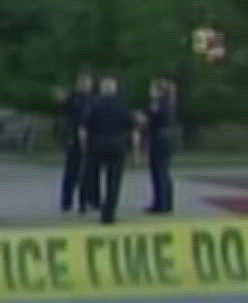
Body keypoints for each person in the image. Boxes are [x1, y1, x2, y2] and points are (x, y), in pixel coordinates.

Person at [79, 76, 135, 225]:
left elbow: (83, 128)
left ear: (102, 89)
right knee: (114, 180)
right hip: (117, 143)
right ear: (115, 90)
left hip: (97, 142)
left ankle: (93, 199)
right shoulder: (122, 106)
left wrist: (84, 145)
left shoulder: (93, 105)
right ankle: (109, 212)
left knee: (92, 174)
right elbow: (131, 127)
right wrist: (134, 149)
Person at [58, 72, 96, 214]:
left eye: (88, 83)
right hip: (74, 138)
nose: (86, 86)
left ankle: (86, 201)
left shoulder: (93, 99)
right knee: (71, 171)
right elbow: (65, 113)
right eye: (83, 83)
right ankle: (66, 202)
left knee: (88, 172)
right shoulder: (73, 99)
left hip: (90, 138)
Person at [142, 78, 178, 214]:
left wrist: (143, 118)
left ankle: (160, 204)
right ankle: (166, 202)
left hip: (159, 139)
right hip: (168, 139)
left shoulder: (158, 103)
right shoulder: (170, 102)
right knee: (164, 172)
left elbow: (151, 119)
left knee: (158, 172)